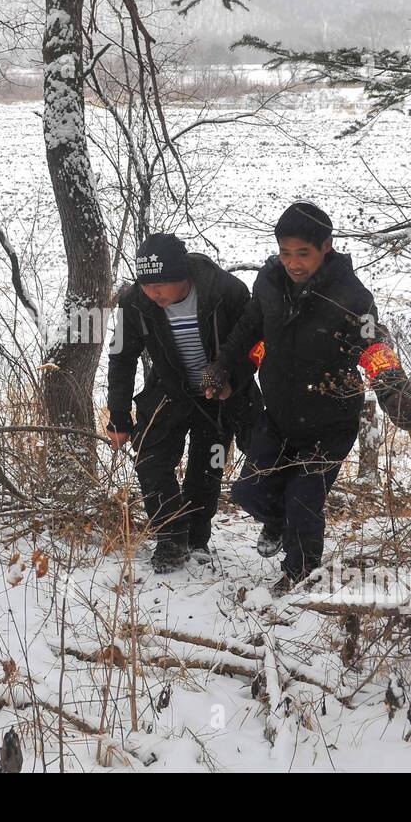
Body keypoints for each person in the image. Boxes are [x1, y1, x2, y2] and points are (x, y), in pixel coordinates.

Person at [203, 202, 411, 587]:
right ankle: (277, 521)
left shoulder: (352, 296)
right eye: (286, 253)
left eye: (303, 253)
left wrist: (394, 391)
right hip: (280, 416)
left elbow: (372, 345)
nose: (293, 262)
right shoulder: (268, 283)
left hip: (330, 421)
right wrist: (223, 365)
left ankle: (299, 575)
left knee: (304, 498)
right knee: (249, 491)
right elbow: (249, 329)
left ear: (327, 247)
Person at [107, 234, 262, 574]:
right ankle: (170, 537)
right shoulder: (132, 303)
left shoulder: (227, 291)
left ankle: (197, 537)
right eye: (147, 286)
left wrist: (231, 383)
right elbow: (120, 357)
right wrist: (118, 418)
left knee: (208, 467)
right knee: (150, 461)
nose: (154, 293)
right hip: (167, 392)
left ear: (184, 277)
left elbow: (254, 344)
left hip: (220, 398)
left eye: (162, 285)